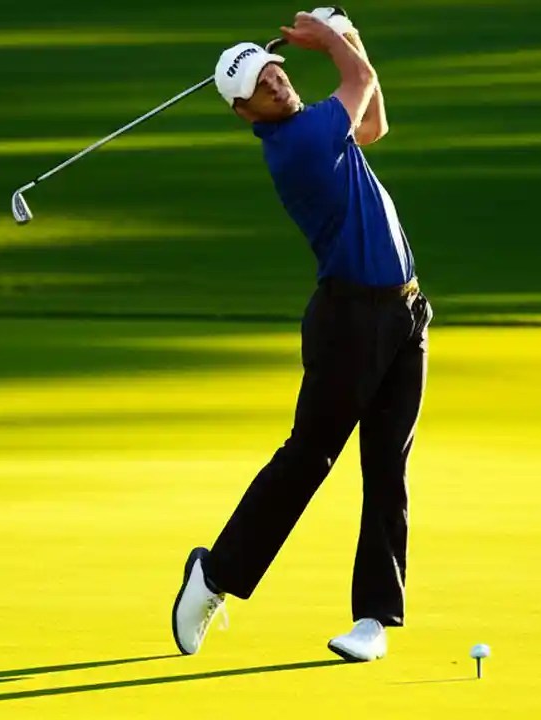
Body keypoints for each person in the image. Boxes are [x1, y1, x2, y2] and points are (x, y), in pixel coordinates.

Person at [171, 8, 432, 663]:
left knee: (388, 468)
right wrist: (333, 38)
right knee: (309, 459)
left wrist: (348, 38)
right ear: (245, 113)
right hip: (351, 321)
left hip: (404, 314)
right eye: (259, 87)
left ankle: (372, 620)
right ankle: (215, 576)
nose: (275, 83)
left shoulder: (319, 126)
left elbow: (373, 122)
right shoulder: (300, 142)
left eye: (273, 72)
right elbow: (361, 80)